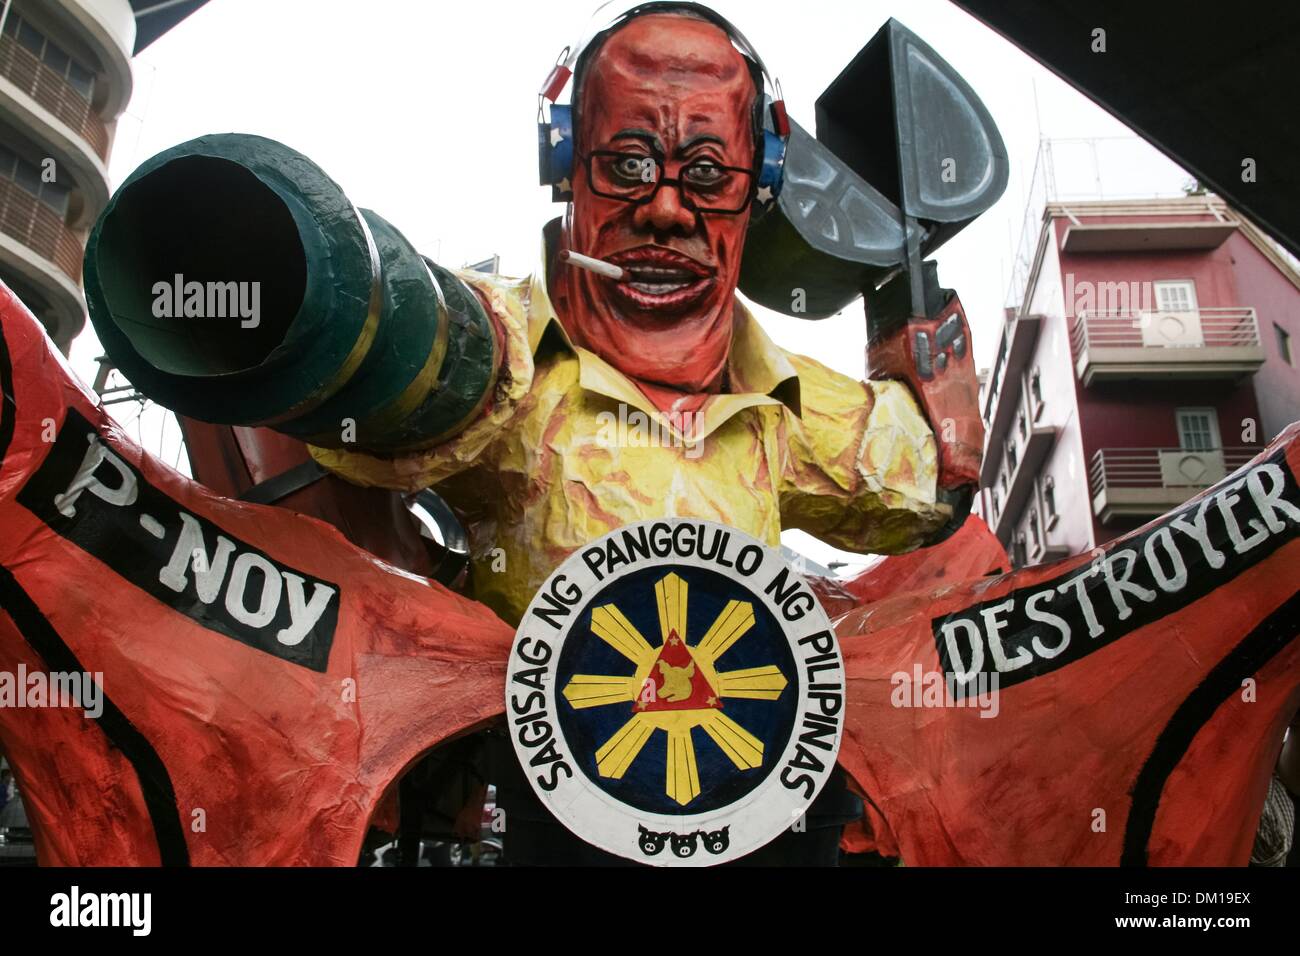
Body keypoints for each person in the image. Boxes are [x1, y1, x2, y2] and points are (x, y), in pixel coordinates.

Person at [309, 3, 983, 864]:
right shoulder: (508, 365)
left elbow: (926, 490)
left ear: (761, 180)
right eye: (627, 164)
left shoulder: (785, 405)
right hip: (545, 809)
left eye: (707, 175)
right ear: (566, 162)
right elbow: (362, 355)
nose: (666, 211)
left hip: (757, 802)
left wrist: (912, 317)